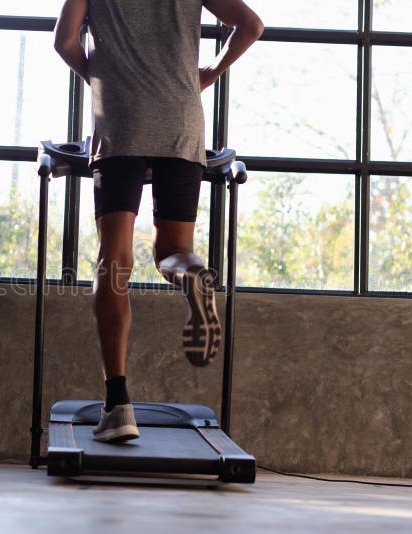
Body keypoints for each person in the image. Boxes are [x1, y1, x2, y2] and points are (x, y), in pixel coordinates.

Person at [54, 0, 263, 443]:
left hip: (121, 120)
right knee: (173, 250)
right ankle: (191, 274)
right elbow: (250, 25)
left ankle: (117, 406)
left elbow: (65, 41)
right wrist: (206, 75)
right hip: (181, 119)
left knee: (114, 262)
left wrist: (100, 75)